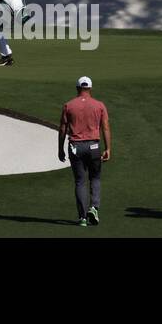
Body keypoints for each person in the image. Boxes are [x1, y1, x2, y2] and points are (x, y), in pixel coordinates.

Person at [57, 76, 112, 227]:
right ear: (90, 89)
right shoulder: (99, 105)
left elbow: (63, 128)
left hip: (75, 147)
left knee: (80, 182)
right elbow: (105, 127)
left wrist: (60, 148)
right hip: (93, 146)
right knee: (95, 178)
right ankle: (93, 207)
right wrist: (108, 148)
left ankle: (82, 218)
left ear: (77, 88)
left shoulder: (69, 105)